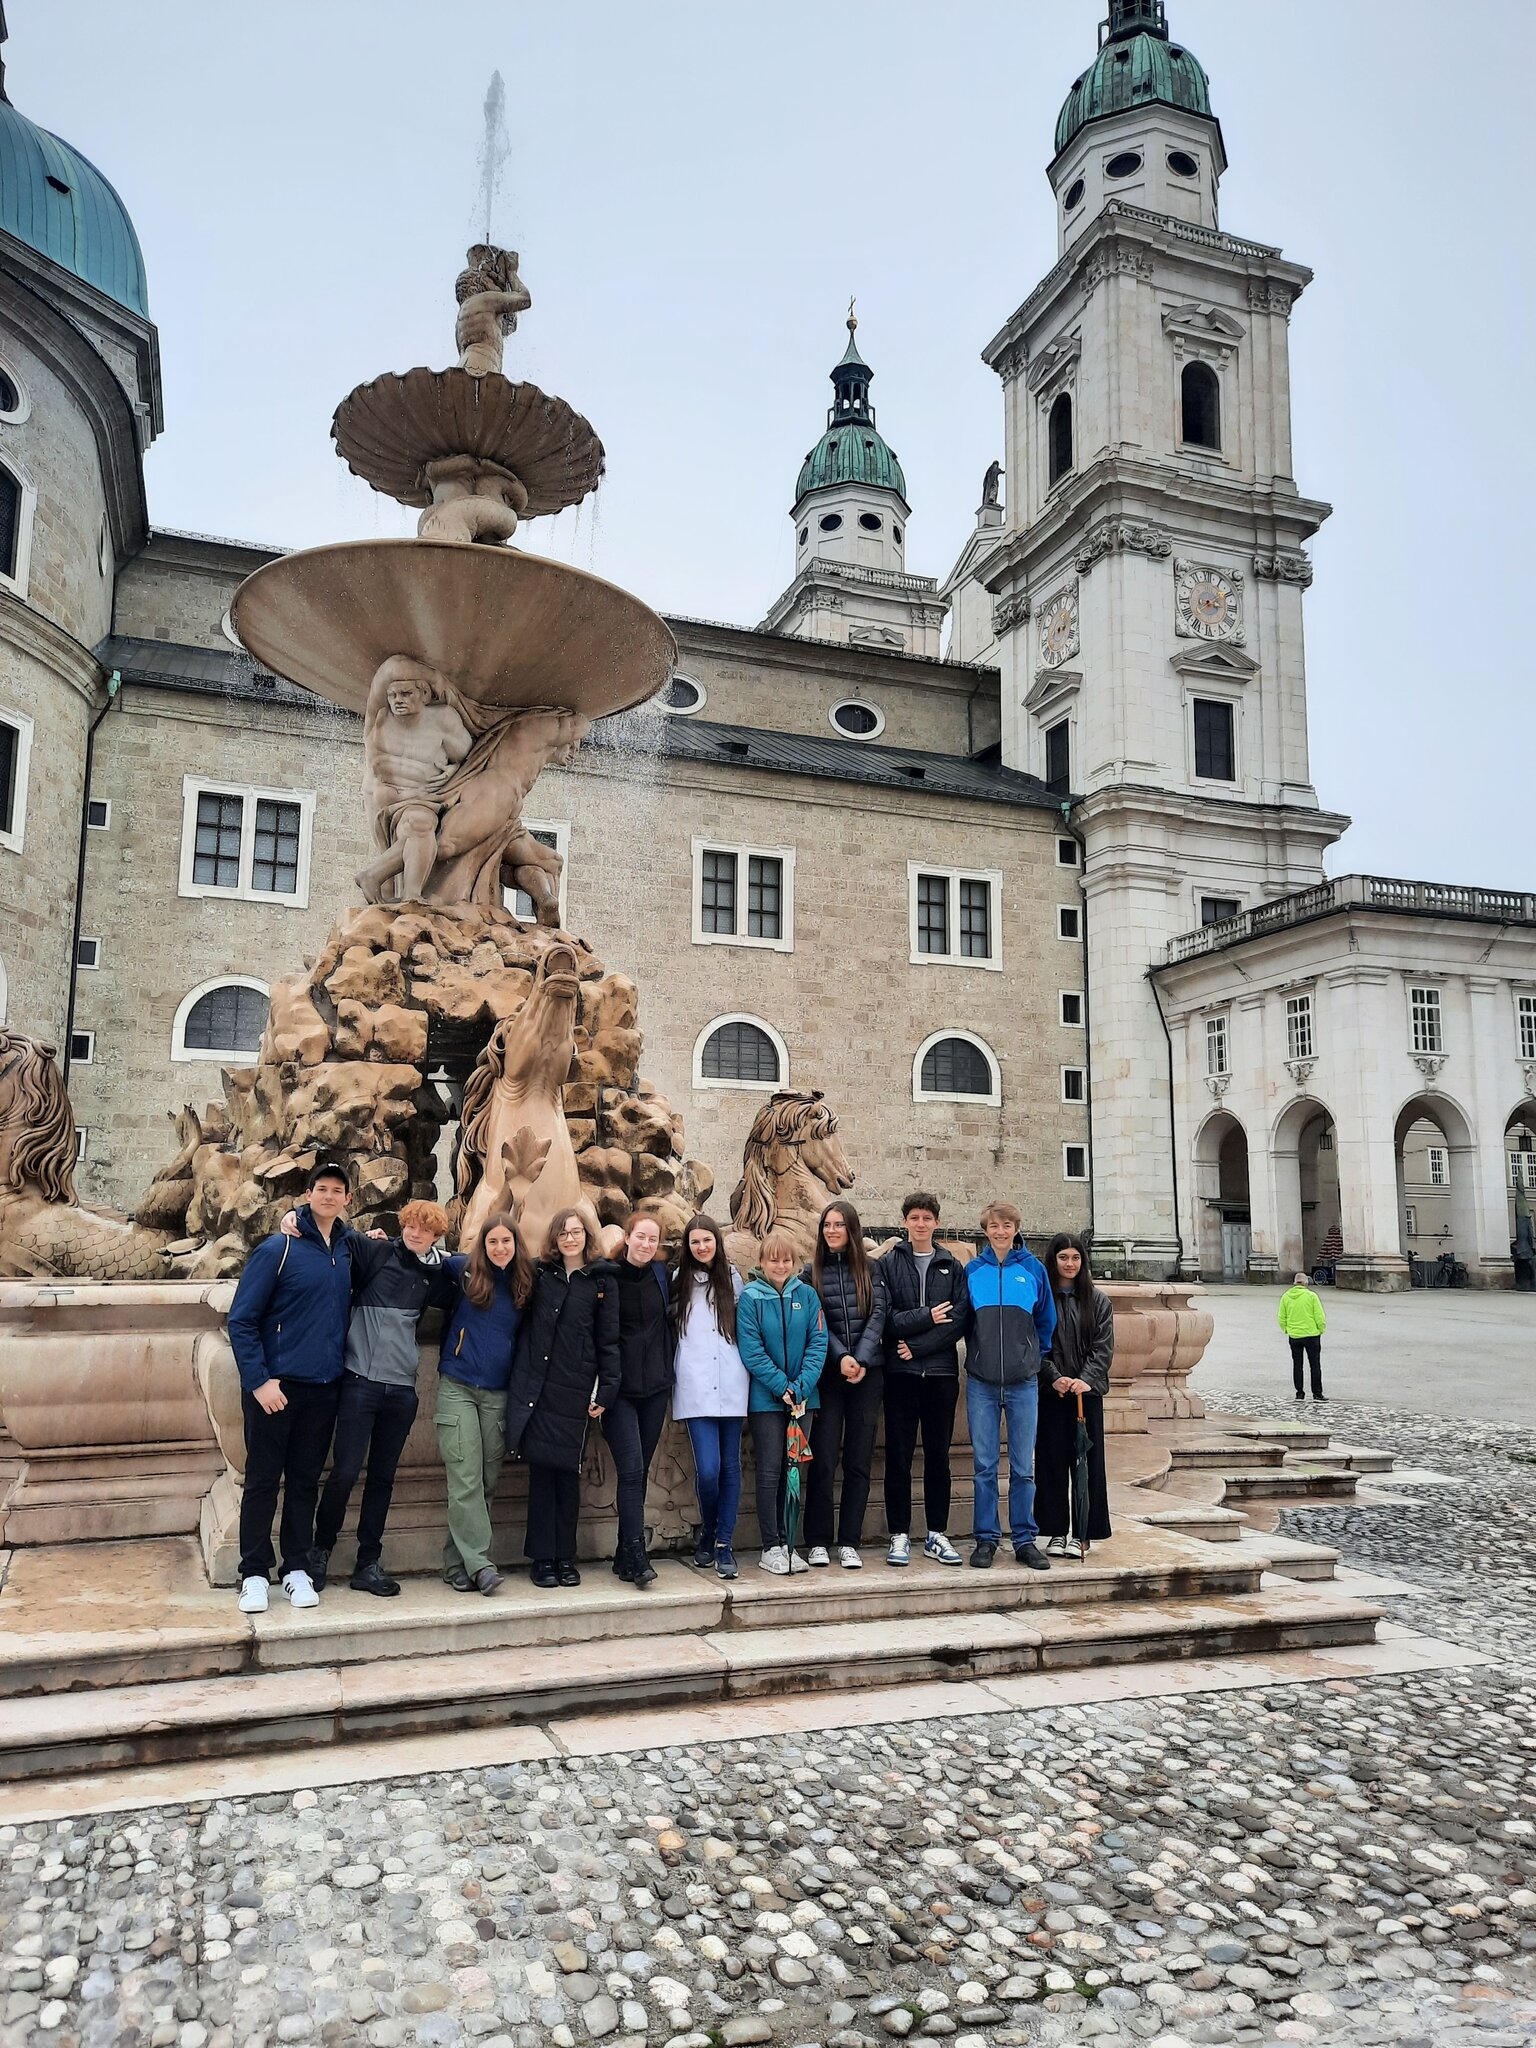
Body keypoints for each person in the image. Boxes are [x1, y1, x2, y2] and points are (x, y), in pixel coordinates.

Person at [306, 1198, 454, 1598]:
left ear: (436, 1235)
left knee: (383, 1479)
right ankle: (319, 1551)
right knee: (345, 1472)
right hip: (360, 1383)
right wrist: (295, 1216)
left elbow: (472, 1279)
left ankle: (367, 1563)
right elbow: (334, 1232)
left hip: (402, 1390)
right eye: (409, 1224)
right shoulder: (378, 1250)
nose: (414, 1232)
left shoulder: (439, 1272)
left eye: (423, 1228)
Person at [225, 1161, 356, 1613]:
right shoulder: (278, 1248)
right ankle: (254, 1571)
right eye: (322, 1188)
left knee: (304, 1482)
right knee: (263, 1482)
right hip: (276, 1389)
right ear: (308, 1194)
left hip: (324, 1388)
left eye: (337, 1190)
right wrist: (260, 1382)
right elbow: (241, 1320)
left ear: (347, 1200)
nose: (329, 1195)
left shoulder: (346, 1249)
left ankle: (295, 1567)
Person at [507, 1207, 620, 1587]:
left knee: (568, 1476)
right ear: (554, 1239)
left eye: (576, 1232)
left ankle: (564, 1557)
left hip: (576, 1389)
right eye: (563, 1233)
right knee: (541, 1474)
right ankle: (542, 1558)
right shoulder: (540, 1274)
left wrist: (606, 1389)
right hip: (540, 1388)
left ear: (587, 1236)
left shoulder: (600, 1281)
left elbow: (608, 1340)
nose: (570, 1239)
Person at [436, 1209, 533, 1593]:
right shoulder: (463, 1271)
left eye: (505, 1241)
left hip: (498, 1392)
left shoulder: (528, 1281)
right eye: (492, 1241)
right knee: (465, 1478)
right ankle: (481, 1565)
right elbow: (422, 1254)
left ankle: (456, 1564)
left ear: (515, 1243)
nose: (499, 1247)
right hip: (457, 1386)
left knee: (485, 1482)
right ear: (483, 1245)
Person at [963, 1201, 1056, 1572]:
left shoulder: (1033, 1270)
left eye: (1007, 1225)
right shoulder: (972, 1271)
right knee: (984, 1465)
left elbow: (1046, 1320)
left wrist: (1032, 1357)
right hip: (982, 1383)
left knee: (1023, 1467)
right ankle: (986, 1538)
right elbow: (964, 1320)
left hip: (1023, 1384)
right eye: (994, 1225)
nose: (1000, 1231)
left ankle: (1024, 1539)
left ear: (1016, 1229)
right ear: (985, 1230)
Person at [880, 1191, 970, 1567]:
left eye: (927, 1218)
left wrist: (916, 1348)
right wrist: (928, 1317)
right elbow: (887, 1319)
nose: (920, 1224)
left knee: (938, 1458)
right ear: (904, 1222)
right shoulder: (888, 1264)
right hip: (900, 1375)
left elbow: (960, 1320)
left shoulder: (952, 1266)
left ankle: (937, 1532)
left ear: (936, 1223)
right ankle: (899, 1533)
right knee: (898, 1458)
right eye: (914, 1217)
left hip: (940, 1374)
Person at [736, 1230, 828, 1574]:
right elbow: (752, 1349)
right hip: (767, 1400)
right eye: (773, 1259)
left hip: (803, 1400)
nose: (780, 1264)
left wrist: (801, 1386)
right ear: (762, 1261)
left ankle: (791, 1544)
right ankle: (770, 1544)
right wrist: (781, 1386)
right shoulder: (750, 1298)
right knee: (770, 1472)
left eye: (786, 1259)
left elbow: (818, 1342)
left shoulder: (807, 1295)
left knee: (794, 1472)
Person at [802, 1199, 887, 1569]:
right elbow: (817, 1321)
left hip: (869, 1376)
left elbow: (879, 1314)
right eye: (827, 1225)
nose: (831, 1231)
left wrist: (863, 1359)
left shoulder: (872, 1269)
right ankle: (818, 1539)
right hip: (829, 1376)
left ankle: (849, 1539)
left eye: (838, 1225)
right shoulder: (811, 1273)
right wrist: (842, 1359)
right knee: (822, 1460)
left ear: (852, 1230)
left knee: (858, 1460)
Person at [670, 1212, 747, 1580]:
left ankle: (722, 1544)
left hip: (732, 1382)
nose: (702, 1247)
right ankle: (711, 1528)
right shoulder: (678, 1282)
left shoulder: (732, 1280)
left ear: (717, 1242)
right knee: (709, 1469)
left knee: (731, 1467)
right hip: (696, 1386)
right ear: (688, 1246)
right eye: (695, 1241)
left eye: (707, 1240)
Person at [605, 1210, 675, 1590]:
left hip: (655, 1389)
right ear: (627, 1237)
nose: (647, 1245)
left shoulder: (661, 1275)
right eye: (641, 1237)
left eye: (653, 1239)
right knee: (631, 1470)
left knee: (640, 1471)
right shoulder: (608, 1275)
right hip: (619, 1393)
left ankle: (622, 1555)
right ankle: (636, 1553)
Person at [1036, 1234, 1115, 1557]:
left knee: (1088, 1463)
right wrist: (1054, 1377)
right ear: (1052, 1261)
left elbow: (1103, 1346)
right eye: (1063, 1258)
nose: (1069, 1264)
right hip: (1052, 1391)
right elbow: (1035, 1342)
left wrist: (1085, 1380)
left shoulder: (1097, 1301)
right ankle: (1055, 1530)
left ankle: (1084, 1531)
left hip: (1086, 1393)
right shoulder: (1042, 1299)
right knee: (1052, 1461)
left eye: (1075, 1258)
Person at [1278, 1272, 1327, 1401]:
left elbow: (1281, 1317)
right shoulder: (1311, 1296)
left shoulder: (1286, 1297)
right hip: (1311, 1335)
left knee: (1297, 1365)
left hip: (1294, 1336)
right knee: (1315, 1365)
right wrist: (1321, 1329)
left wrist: (1287, 1330)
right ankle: (1317, 1393)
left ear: (1294, 1283)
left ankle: (1299, 1392)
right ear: (1306, 1283)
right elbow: (1319, 1316)